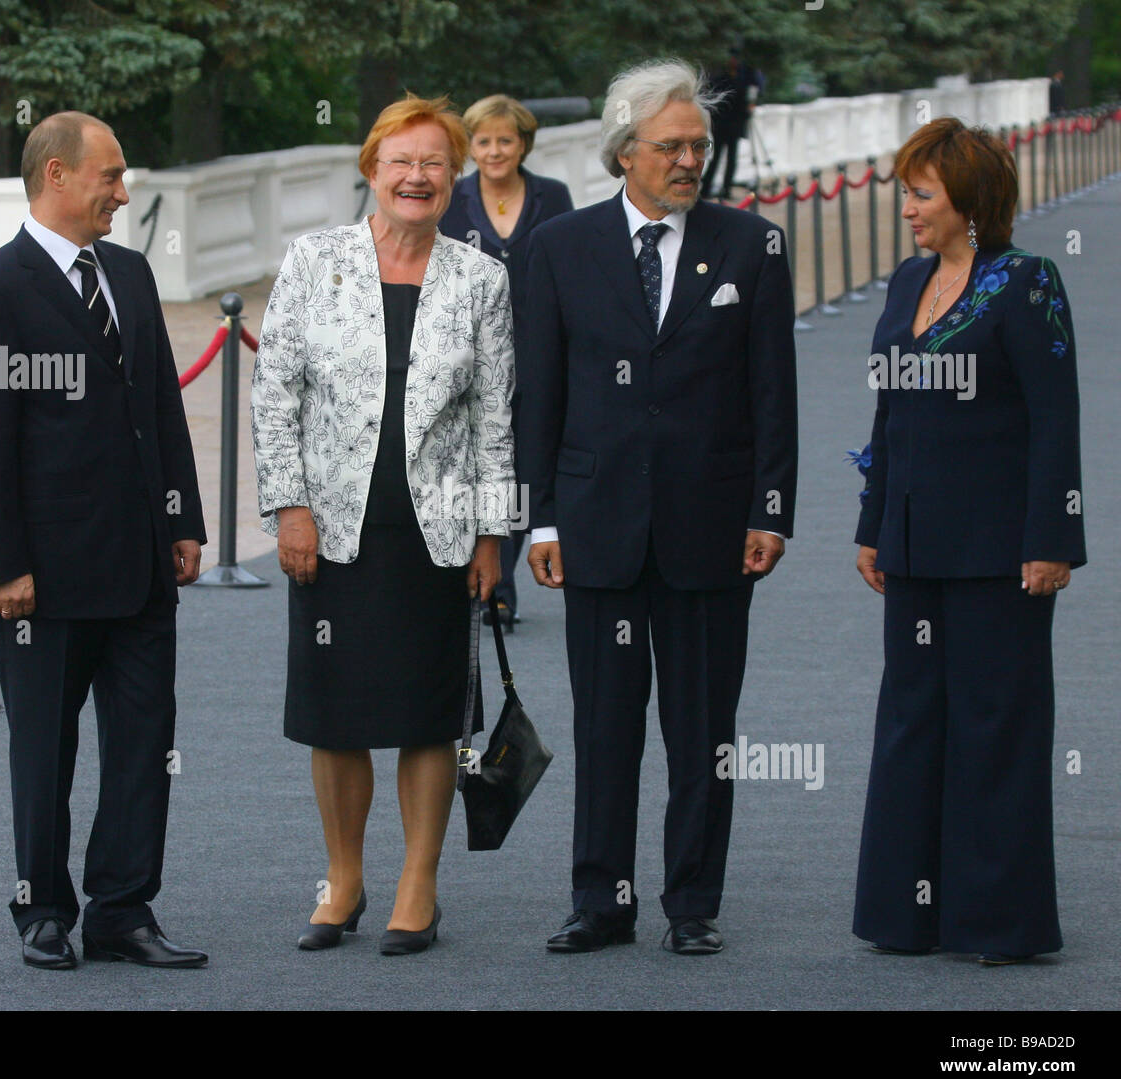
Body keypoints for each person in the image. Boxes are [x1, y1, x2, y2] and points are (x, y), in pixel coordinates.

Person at [520, 59, 797, 955]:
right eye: (671, 146)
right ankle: (601, 901)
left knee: (702, 733)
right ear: (622, 152)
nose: (690, 161)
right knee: (605, 728)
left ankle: (691, 905)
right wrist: (544, 517)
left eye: (699, 146)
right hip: (596, 527)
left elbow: (772, 396)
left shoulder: (751, 246)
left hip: (712, 530)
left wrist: (772, 510)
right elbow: (541, 396)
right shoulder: (559, 249)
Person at [0, 111, 209, 971]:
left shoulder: (128, 275)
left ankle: (123, 911)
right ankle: (42, 911)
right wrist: (2, 565)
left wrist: (183, 521)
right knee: (43, 750)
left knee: (143, 746)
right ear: (56, 175)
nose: (122, 194)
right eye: (110, 177)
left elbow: (161, 407)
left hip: (139, 570)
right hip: (44, 580)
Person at [252, 94, 514, 956]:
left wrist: (493, 535)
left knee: (428, 713)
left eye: (434, 162)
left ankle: (417, 883)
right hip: (330, 532)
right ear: (371, 170)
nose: (417, 177)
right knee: (335, 713)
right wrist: (288, 505)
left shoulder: (481, 279)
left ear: (455, 175)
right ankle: (345, 878)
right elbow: (275, 391)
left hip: (435, 536)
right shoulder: (314, 260)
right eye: (400, 161)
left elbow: (495, 419)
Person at [852, 117, 1085, 964]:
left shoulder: (1028, 282)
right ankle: (906, 914)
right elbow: (887, 411)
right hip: (912, 546)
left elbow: (1057, 418)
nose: (908, 208)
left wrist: (1053, 539)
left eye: (921, 193)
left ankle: (1000, 923)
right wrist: (873, 525)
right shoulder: (905, 281)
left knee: (996, 727)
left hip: (1002, 552)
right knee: (911, 723)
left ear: (970, 199)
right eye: (906, 192)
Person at [439, 94, 573, 631]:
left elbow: (573, 272)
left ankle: (502, 584)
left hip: (538, 353)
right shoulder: (453, 197)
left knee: (520, 466)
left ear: (524, 144)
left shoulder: (553, 196)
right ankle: (470, 572)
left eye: (505, 140)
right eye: (484, 140)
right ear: (470, 146)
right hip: (466, 355)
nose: (494, 151)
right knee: (471, 462)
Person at [702, 48, 762, 201]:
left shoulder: (745, 74)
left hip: (736, 121)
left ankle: (726, 188)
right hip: (721, 122)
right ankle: (706, 187)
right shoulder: (720, 75)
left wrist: (750, 104)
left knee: (731, 157)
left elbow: (754, 89)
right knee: (716, 157)